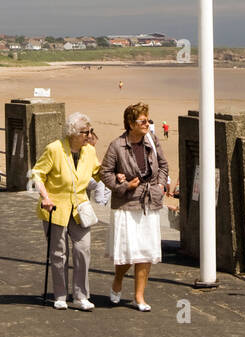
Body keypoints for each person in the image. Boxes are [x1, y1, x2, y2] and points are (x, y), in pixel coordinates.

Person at [100, 102, 169, 311]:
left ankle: (140, 297)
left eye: (148, 120)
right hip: (127, 203)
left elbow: (164, 165)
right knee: (128, 252)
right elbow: (105, 173)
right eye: (143, 121)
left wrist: (160, 185)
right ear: (131, 123)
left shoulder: (152, 139)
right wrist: (123, 186)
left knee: (146, 251)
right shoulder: (116, 145)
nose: (147, 124)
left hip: (150, 201)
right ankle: (118, 279)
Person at [31, 111, 102, 310]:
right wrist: (45, 197)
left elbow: (97, 172)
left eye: (90, 131)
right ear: (73, 133)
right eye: (85, 132)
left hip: (80, 208)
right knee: (59, 253)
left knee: (83, 250)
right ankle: (60, 295)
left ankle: (80, 296)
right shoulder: (54, 149)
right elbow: (37, 174)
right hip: (56, 207)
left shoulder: (89, 151)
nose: (89, 136)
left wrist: (115, 175)